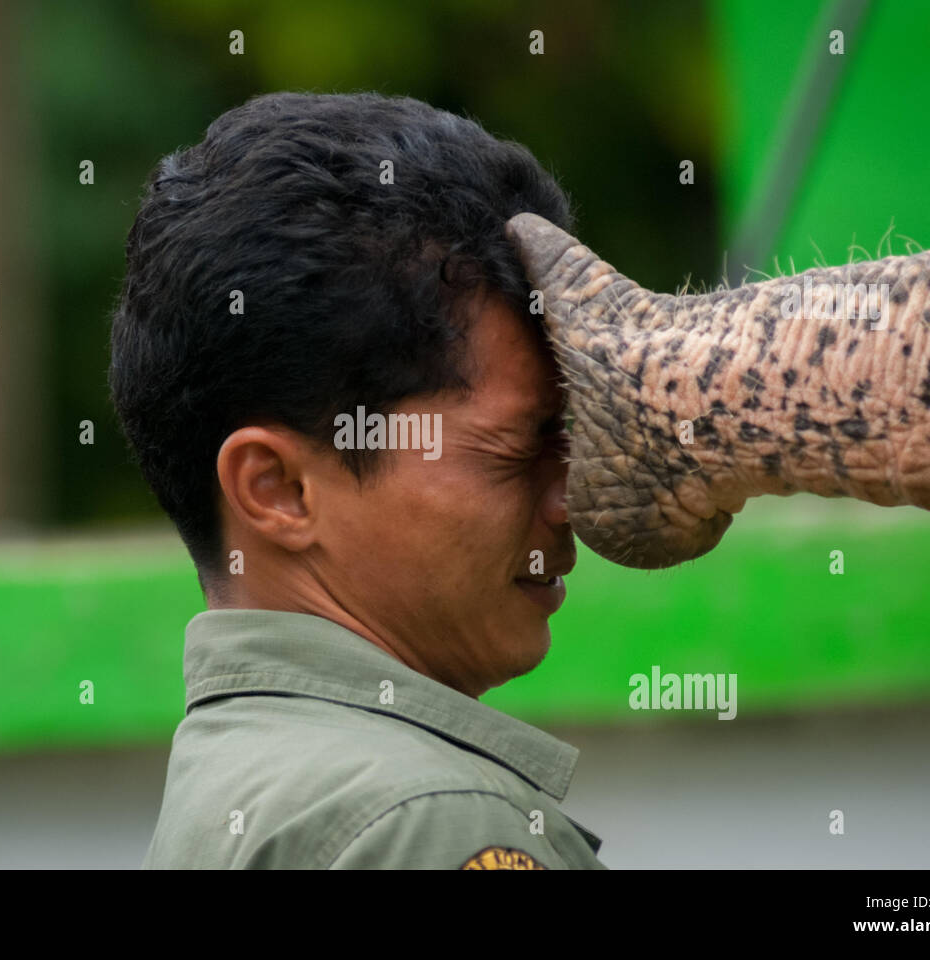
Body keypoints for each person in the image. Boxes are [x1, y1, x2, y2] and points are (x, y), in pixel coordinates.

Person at [110, 91, 605, 869]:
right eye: (520, 448)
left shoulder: (247, 789)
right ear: (277, 490)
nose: (572, 499)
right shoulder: (432, 826)